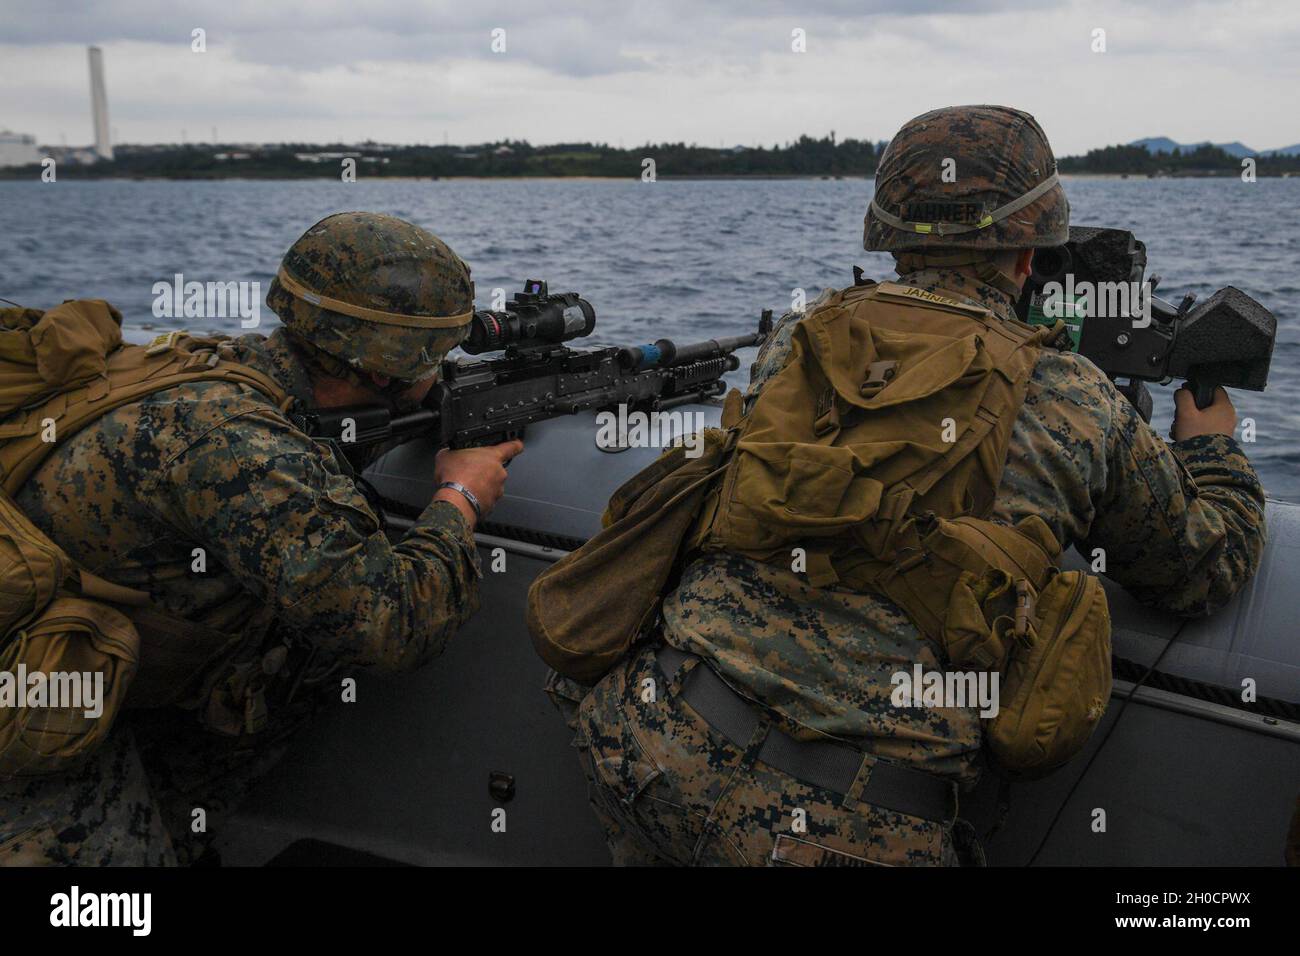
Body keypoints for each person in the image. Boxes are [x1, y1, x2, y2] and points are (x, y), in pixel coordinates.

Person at [551, 105, 1266, 866]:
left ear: (890, 241)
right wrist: (1214, 449)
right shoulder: (1074, 395)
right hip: (847, 831)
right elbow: (1201, 567)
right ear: (1029, 255)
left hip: (647, 744)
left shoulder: (801, 339)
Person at [0, 211, 520, 865]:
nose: (441, 372)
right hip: (31, 732)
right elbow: (389, 623)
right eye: (436, 356)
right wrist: (460, 497)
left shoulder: (224, 368)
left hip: (80, 665)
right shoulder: (234, 442)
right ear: (386, 370)